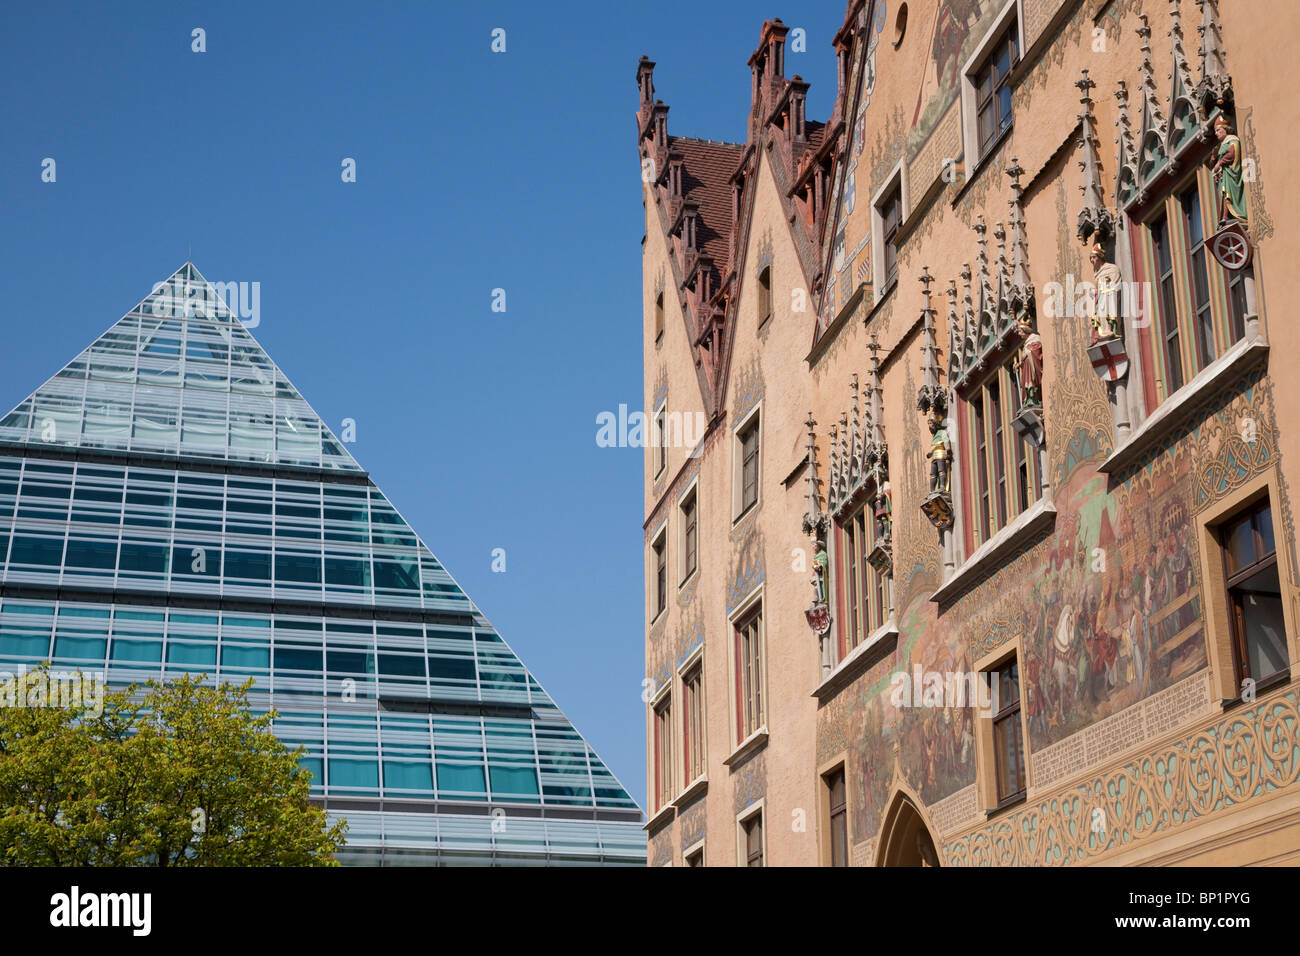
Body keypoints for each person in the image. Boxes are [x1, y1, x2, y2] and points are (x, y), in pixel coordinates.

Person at [1210, 114, 1247, 226]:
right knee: (1225, 194)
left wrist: (1220, 163)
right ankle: (1225, 216)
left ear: (1225, 129)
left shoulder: (1233, 140)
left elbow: (1232, 154)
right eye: (1215, 131)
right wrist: (1214, 157)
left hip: (1231, 173)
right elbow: (1212, 162)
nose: (1216, 134)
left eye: (1218, 130)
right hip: (1224, 174)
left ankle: (1236, 214)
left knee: (1228, 193)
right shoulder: (1221, 145)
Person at [1088, 242, 1123, 342]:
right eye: (1091, 258)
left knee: (1105, 305)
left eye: (1094, 257)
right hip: (1101, 297)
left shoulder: (1112, 269)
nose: (1092, 260)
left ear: (1100, 257)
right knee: (1100, 310)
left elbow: (1116, 285)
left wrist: (1105, 289)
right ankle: (1103, 330)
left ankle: (1110, 329)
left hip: (1109, 296)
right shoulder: (1098, 273)